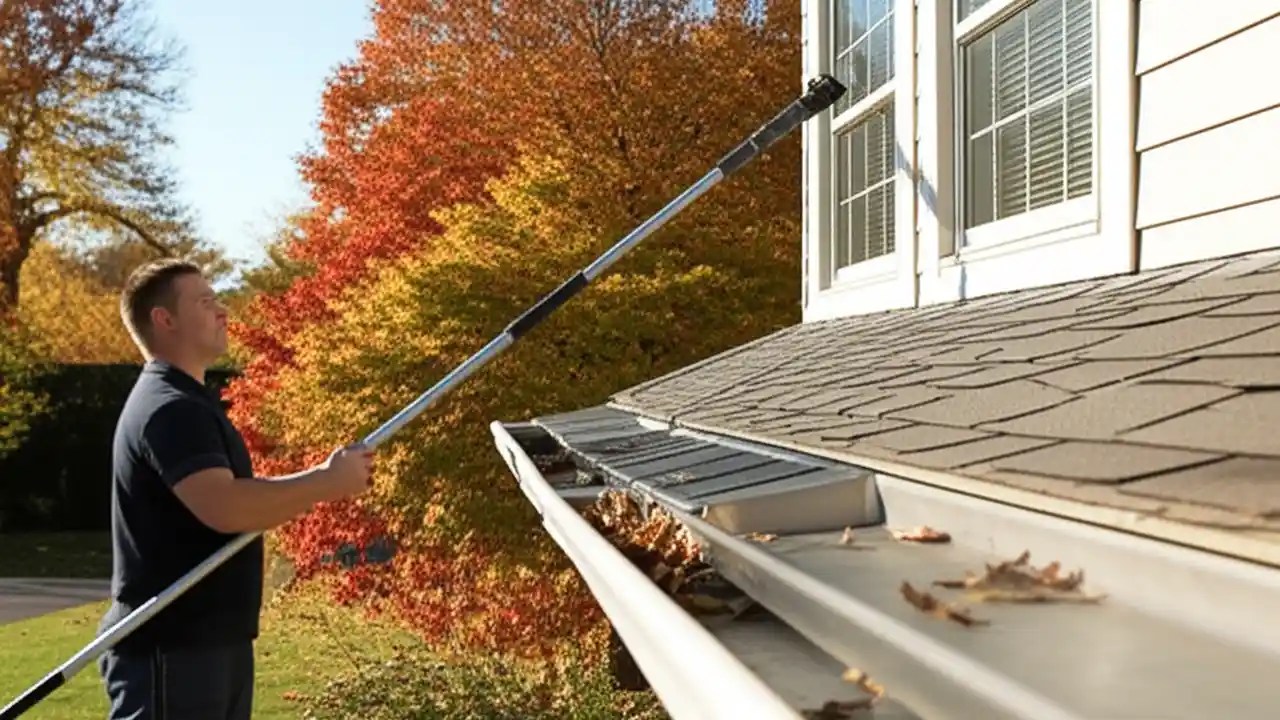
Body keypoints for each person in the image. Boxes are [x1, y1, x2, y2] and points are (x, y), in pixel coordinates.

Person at [98, 258, 374, 719]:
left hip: (208, 640)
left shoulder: (186, 402)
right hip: (173, 644)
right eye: (205, 302)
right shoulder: (169, 408)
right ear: (163, 320)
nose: (223, 311)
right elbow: (226, 507)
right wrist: (327, 481)